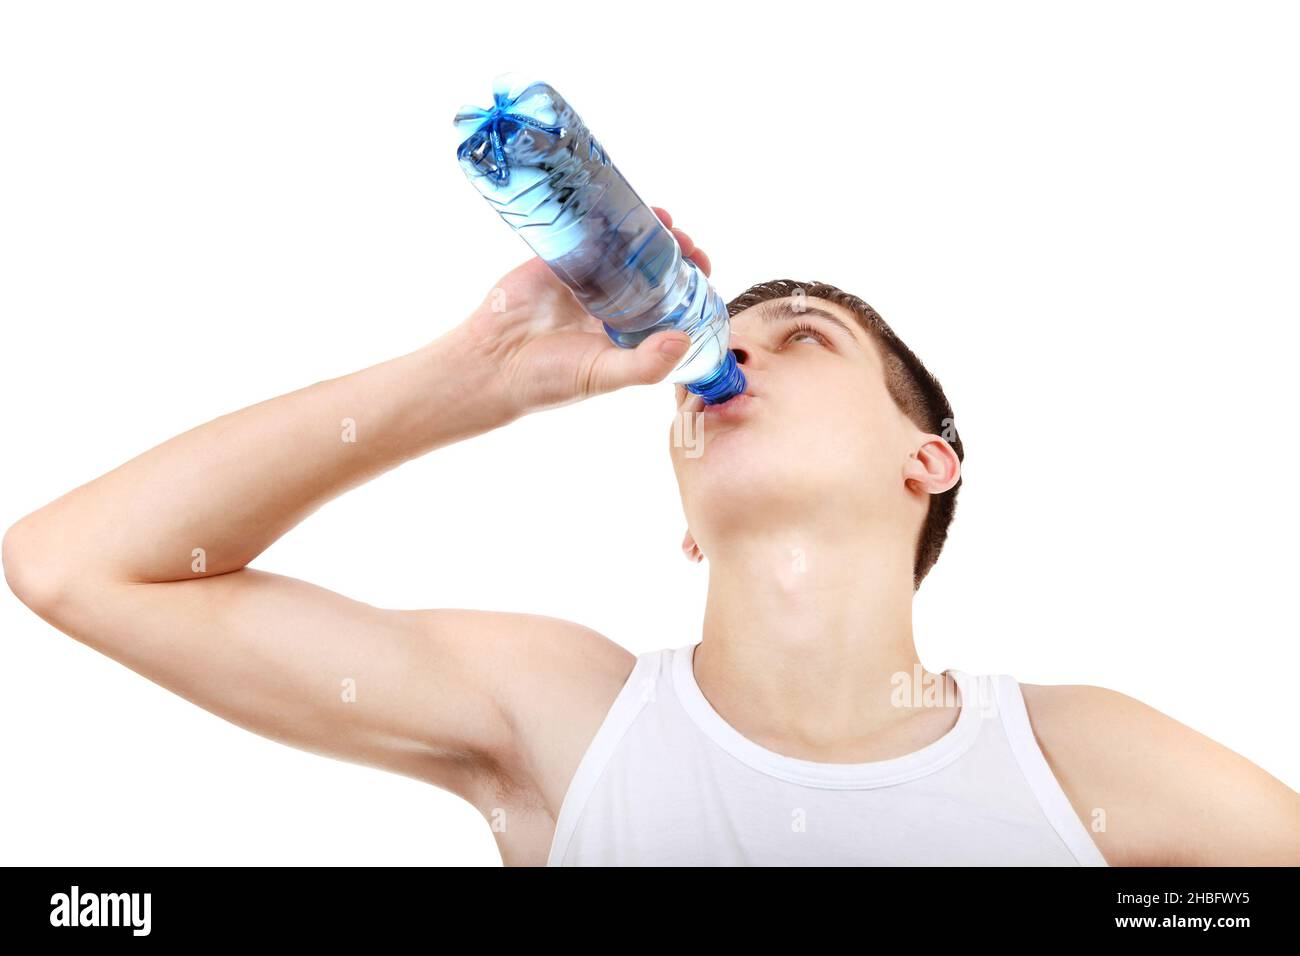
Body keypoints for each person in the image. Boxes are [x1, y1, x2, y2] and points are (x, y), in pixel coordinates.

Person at [4, 208, 1298, 866]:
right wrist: (473, 378)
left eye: (800, 336)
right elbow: (75, 565)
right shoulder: (564, 719)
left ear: (929, 460)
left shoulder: (1080, 758)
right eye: (721, 344)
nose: (731, 353)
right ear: (684, 523)